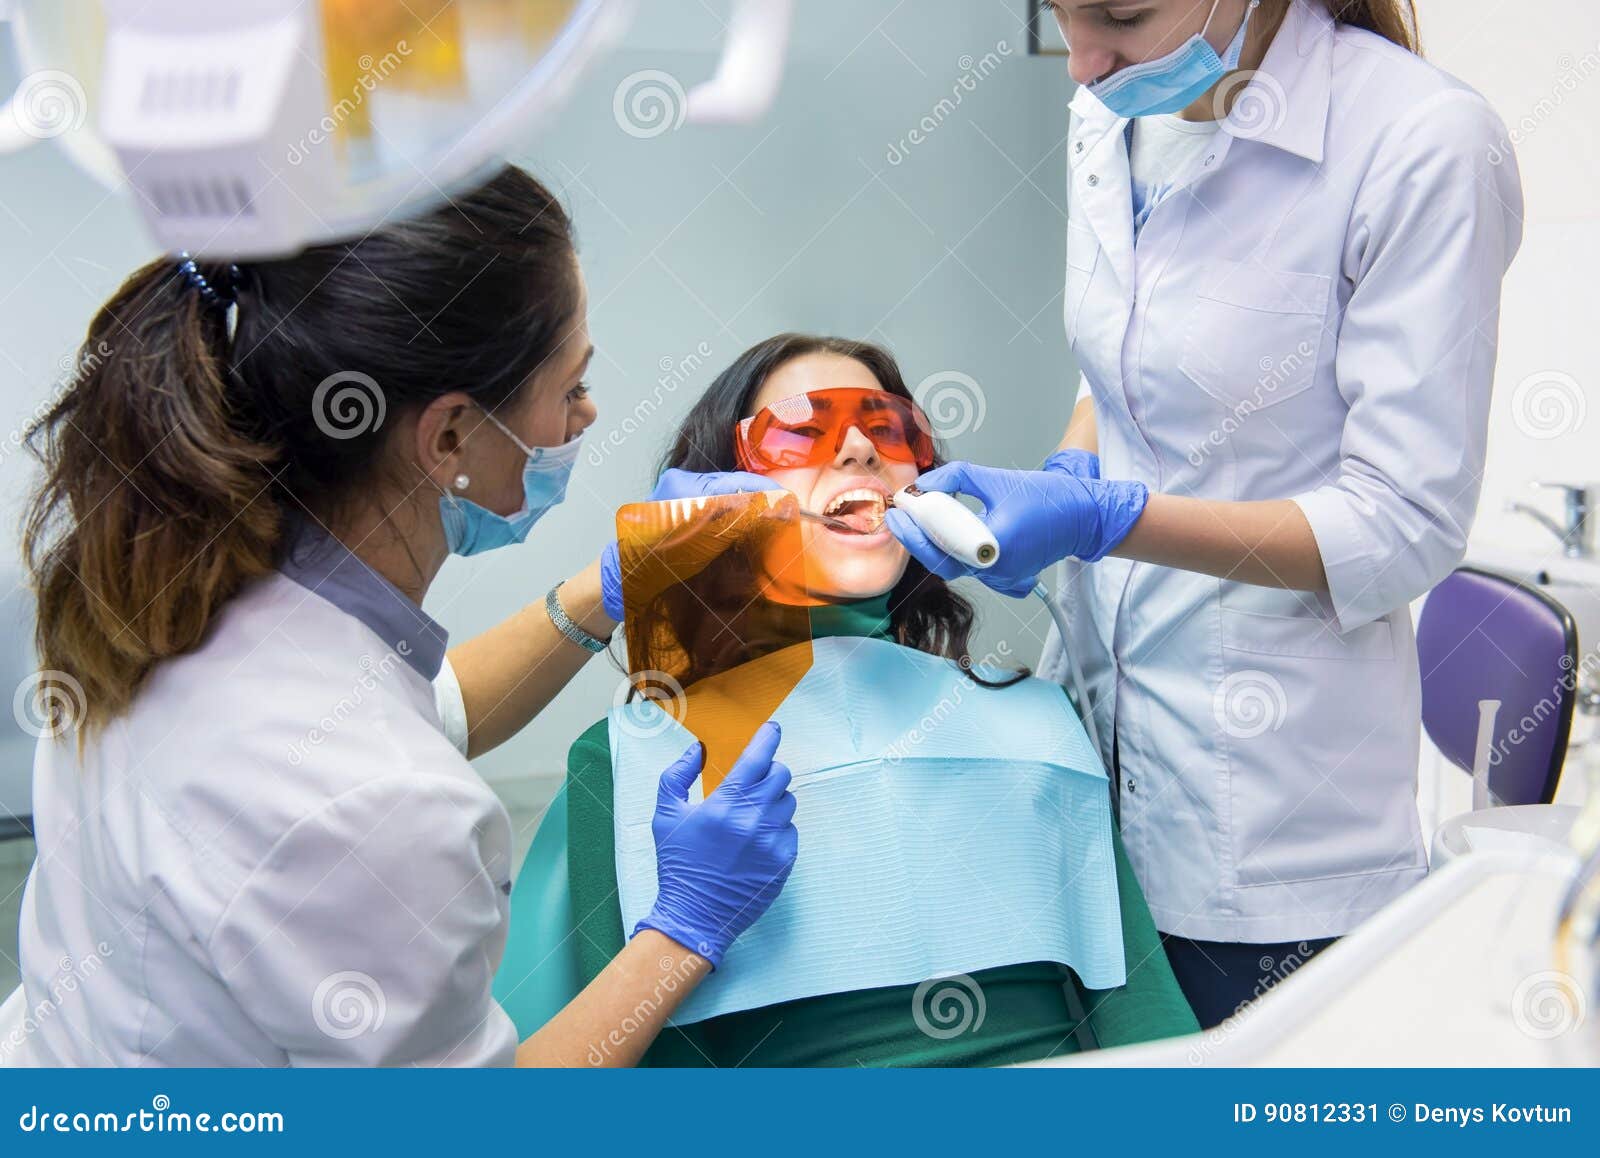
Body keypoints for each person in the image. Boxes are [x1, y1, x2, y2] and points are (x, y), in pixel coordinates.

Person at [12, 167, 799, 1066]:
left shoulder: (163, 584)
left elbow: (387, 718)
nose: (588, 414)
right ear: (450, 435)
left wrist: (603, 587)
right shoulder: (379, 804)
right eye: (570, 386)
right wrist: (684, 933)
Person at [892, 0, 1524, 1026]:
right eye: (1060, 13)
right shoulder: (1110, 109)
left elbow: (1402, 523)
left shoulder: (1421, 142)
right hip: (1092, 756)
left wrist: (1106, 519)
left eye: (1120, 16)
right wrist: (1074, 466)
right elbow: (1124, 367)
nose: (1082, 65)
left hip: (1273, 824)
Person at [534, 335, 1199, 1066]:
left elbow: (1148, 1020)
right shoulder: (626, 757)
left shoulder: (1039, 716)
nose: (858, 448)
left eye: (888, 427)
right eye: (800, 430)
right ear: (716, 492)